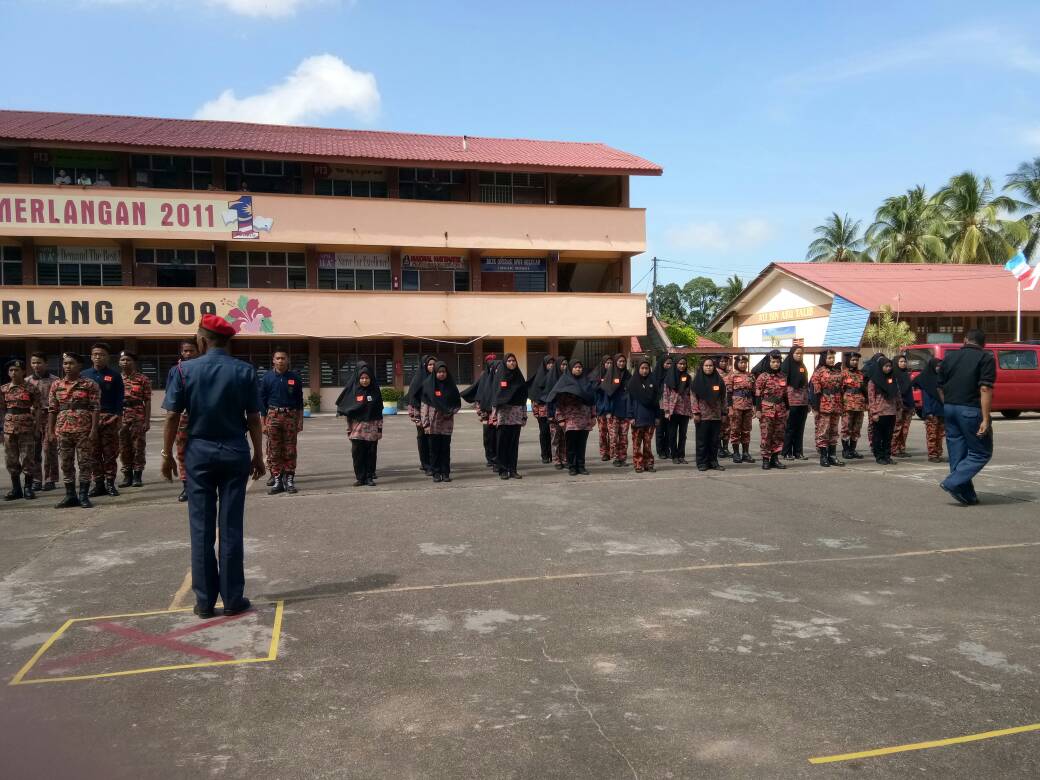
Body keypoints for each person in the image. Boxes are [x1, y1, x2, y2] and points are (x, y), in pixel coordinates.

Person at [161, 314, 264, 619]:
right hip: (234, 450)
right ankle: (233, 598)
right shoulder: (245, 371)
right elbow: (254, 418)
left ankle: (205, 602)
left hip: (199, 452)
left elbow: (170, 417)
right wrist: (258, 455)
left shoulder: (182, 371)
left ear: (203, 340)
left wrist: (167, 455)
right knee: (231, 527)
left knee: (201, 527)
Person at [938, 329, 996, 506]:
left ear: (964, 340)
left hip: (949, 407)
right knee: (981, 452)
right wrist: (986, 418)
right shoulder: (986, 358)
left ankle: (967, 494)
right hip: (970, 410)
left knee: (958, 452)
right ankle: (952, 482)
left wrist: (947, 405)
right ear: (983, 344)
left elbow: (939, 386)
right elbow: (985, 388)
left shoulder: (949, 357)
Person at [48, 352, 100, 508]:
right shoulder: (56, 385)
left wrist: (93, 430)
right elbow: (52, 409)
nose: (67, 366)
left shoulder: (89, 384)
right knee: (66, 463)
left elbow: (95, 408)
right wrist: (50, 431)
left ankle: (83, 495)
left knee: (85, 463)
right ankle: (70, 495)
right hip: (63, 430)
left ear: (79, 365)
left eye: (71, 363)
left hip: (83, 429)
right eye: (65, 363)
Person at [260, 349, 305, 495]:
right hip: (272, 415)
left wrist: (300, 421)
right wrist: (263, 422)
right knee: (274, 450)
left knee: (290, 449)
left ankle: (289, 479)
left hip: (290, 416)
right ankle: (277, 480)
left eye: (283, 358)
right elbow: (262, 403)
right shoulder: (267, 378)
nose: (280, 361)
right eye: (277, 358)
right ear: (273, 360)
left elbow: (299, 402)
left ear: (288, 360)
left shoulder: (295, 378)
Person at [82, 342, 124, 497]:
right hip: (89, 419)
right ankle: (98, 483)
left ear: (108, 357)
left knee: (110, 453)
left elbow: (120, 398)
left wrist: (118, 416)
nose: (98, 357)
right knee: (93, 453)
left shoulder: (114, 375)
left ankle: (110, 483)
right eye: (95, 354)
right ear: (91, 357)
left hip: (109, 418)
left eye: (101, 354)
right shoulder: (84, 375)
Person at [545, 359, 595, 476]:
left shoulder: (586, 382)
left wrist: (593, 416)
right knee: (571, 445)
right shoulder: (564, 382)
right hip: (570, 420)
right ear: (570, 369)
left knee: (581, 445)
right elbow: (558, 402)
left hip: (584, 419)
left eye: (580, 367)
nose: (578, 369)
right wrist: (561, 419)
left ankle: (581, 466)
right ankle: (572, 467)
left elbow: (592, 400)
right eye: (576, 367)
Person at [1, 360, 42, 500]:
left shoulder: (31, 388)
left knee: (27, 458)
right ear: (8, 372)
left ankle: (28, 488)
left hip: (27, 428)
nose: (14, 373)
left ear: (23, 372)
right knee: (11, 459)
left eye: (17, 370)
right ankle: (16, 489)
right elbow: (1, 410)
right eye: (11, 370)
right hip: (9, 428)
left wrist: (37, 428)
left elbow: (37, 409)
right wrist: (1, 429)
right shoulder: (3, 389)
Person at [336, 365, 383, 487]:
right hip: (357, 430)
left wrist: (379, 430)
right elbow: (349, 413)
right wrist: (349, 430)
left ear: (371, 379)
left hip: (372, 429)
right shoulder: (353, 393)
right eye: (362, 378)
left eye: (367, 378)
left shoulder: (376, 393)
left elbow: (379, 412)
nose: (364, 380)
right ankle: (360, 478)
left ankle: (369, 477)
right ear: (358, 379)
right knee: (357, 454)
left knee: (370, 454)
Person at [169, 340, 200, 502]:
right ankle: (186, 486)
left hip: (202, 417)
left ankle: (201, 484)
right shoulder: (176, 371)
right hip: (183, 417)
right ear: (181, 352)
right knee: (182, 452)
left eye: (191, 351)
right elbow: (171, 401)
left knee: (201, 450)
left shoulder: (203, 369)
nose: (188, 354)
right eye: (185, 351)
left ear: (198, 351)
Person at [421, 360, 462, 482]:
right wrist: (426, 424)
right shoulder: (428, 385)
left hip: (446, 423)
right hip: (433, 424)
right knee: (434, 450)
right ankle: (436, 473)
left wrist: (451, 411)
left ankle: (445, 472)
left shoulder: (451, 386)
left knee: (445, 449)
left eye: (443, 372)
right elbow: (424, 407)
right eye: (439, 372)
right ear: (435, 373)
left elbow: (457, 404)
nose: (441, 374)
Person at [117, 350, 152, 488]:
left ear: (134, 362)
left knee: (138, 447)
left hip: (138, 416)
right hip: (122, 416)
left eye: (128, 360)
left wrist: (147, 421)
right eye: (123, 360)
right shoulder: (116, 379)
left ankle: (137, 475)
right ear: (119, 362)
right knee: (123, 447)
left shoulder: (142, 379)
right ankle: (127, 476)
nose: (125, 362)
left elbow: (147, 401)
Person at [490, 353, 527, 479]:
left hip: (516, 415)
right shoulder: (500, 377)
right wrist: (493, 417)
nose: (512, 363)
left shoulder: (519, 378)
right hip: (503, 416)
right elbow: (495, 397)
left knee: (513, 444)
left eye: (514, 361)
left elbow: (523, 398)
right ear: (505, 363)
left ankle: (513, 469)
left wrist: (524, 416)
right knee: (502, 444)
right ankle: (503, 470)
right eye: (509, 361)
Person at [27, 352, 60, 492]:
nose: (36, 365)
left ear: (46, 364)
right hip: (33, 418)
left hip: (50, 417)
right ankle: (36, 479)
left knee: (49, 450)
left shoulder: (55, 380)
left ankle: (50, 479)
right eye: (33, 362)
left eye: (39, 362)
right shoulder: (27, 381)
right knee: (34, 451)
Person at [461, 353, 498, 468]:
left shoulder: (501, 376)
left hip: (498, 413)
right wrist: (480, 411)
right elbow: (479, 392)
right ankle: (490, 458)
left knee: (498, 436)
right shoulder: (484, 375)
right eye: (490, 363)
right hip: (486, 413)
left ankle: (498, 458)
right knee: (488, 436)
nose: (492, 367)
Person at [811, 350, 845, 467]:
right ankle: (823, 456)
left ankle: (832, 456)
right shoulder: (819, 372)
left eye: (833, 358)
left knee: (834, 431)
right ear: (824, 358)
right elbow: (815, 392)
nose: (831, 360)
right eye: (829, 358)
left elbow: (842, 388)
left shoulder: (837, 371)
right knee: (823, 431)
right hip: (824, 405)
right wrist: (815, 408)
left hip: (836, 404)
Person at [755, 350, 789, 470]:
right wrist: (758, 410)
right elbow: (758, 394)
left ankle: (775, 458)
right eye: (773, 362)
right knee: (767, 434)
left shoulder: (783, 376)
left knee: (778, 434)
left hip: (781, 409)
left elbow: (785, 395)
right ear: (769, 362)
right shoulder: (763, 376)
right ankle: (765, 459)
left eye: (778, 362)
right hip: (766, 409)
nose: (776, 364)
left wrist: (788, 409)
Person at [691, 356, 726, 472]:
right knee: (702, 441)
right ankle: (702, 462)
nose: (708, 368)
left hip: (716, 416)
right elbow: (693, 398)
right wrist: (696, 412)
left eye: (710, 366)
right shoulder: (697, 381)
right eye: (706, 366)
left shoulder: (719, 381)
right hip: (702, 416)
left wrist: (724, 413)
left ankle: (713, 462)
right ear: (702, 367)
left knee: (714, 441)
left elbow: (723, 398)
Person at [406, 354, 437, 474]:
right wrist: (415, 415)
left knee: (433, 438)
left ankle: (433, 463)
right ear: (425, 366)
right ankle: (426, 464)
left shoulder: (438, 378)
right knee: (423, 438)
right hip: (420, 413)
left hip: (435, 415)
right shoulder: (418, 379)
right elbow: (412, 397)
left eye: (434, 364)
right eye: (430, 364)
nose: (432, 367)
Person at [627, 358, 658, 473]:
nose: (644, 371)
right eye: (642, 368)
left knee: (648, 444)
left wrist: (657, 416)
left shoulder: (653, 383)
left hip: (650, 418)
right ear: (638, 369)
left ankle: (649, 464)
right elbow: (629, 402)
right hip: (637, 418)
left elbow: (656, 402)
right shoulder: (632, 383)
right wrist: (631, 417)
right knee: (637, 444)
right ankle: (638, 464)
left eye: (646, 368)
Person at [600, 353, 632, 467]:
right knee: (614, 437)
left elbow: (632, 393)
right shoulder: (610, 375)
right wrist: (607, 411)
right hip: (613, 412)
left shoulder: (628, 376)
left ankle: (623, 458)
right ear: (615, 362)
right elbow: (606, 395)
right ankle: (615, 458)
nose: (622, 363)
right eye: (620, 361)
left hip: (625, 411)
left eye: (623, 361)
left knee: (624, 437)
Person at [866, 356, 899, 465]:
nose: (888, 368)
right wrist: (874, 412)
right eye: (886, 366)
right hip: (880, 413)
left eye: (890, 366)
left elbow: (896, 395)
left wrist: (899, 408)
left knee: (888, 436)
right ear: (880, 367)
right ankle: (879, 456)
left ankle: (887, 455)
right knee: (878, 436)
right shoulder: (873, 381)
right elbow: (871, 398)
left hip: (891, 412)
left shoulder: (892, 379)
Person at [661, 356, 693, 464]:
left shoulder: (688, 377)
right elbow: (665, 395)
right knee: (672, 434)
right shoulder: (669, 377)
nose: (682, 366)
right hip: (672, 410)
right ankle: (674, 455)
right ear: (676, 364)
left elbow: (691, 394)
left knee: (683, 434)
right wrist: (666, 410)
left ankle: (681, 455)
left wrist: (692, 410)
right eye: (680, 363)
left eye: (684, 364)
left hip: (684, 410)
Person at [913, 357, 945, 463]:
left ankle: (938, 453)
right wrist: (928, 412)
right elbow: (926, 399)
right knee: (932, 434)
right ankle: (932, 454)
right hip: (932, 412)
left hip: (942, 412)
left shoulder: (941, 378)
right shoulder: (926, 380)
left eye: (940, 366)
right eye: (937, 366)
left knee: (940, 435)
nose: (938, 368)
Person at [780, 346, 810, 460]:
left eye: (801, 353)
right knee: (790, 428)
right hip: (791, 402)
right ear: (792, 354)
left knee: (800, 428)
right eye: (797, 353)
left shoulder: (802, 366)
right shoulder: (786, 366)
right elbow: (782, 387)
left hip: (803, 401)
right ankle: (786, 452)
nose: (799, 355)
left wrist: (808, 403)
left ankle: (798, 452)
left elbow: (806, 385)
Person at [725, 354, 756, 464]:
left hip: (748, 406)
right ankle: (736, 453)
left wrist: (755, 407)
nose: (743, 365)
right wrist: (730, 408)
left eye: (745, 363)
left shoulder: (751, 376)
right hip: (736, 406)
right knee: (735, 430)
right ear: (736, 363)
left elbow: (754, 392)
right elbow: (728, 393)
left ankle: (746, 453)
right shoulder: (731, 376)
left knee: (746, 430)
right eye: (741, 363)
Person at [529, 355, 556, 464]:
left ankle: (555, 455)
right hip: (542, 411)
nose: (551, 365)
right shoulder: (538, 378)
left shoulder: (557, 377)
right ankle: (545, 454)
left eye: (553, 363)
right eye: (549, 363)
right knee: (544, 432)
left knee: (555, 433)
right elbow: (534, 395)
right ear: (545, 365)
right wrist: (535, 411)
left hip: (554, 409)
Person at [840, 352, 866, 460]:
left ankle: (852, 450)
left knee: (856, 428)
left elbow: (864, 390)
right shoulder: (843, 374)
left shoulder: (861, 374)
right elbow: (840, 390)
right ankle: (845, 450)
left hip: (859, 405)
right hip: (848, 405)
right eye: (852, 360)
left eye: (856, 360)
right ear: (848, 361)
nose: (855, 362)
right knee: (846, 428)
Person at [891, 353, 915, 458]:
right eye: (901, 362)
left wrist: (912, 405)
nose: (903, 363)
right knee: (897, 428)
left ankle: (902, 449)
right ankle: (893, 449)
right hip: (898, 406)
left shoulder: (906, 374)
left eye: (904, 361)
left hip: (908, 405)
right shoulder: (892, 375)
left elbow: (910, 391)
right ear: (896, 363)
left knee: (905, 429)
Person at [590, 354, 613, 461]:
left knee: (612, 432)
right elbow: (593, 388)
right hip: (601, 409)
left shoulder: (615, 374)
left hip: (613, 409)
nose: (609, 365)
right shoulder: (597, 375)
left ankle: (613, 452)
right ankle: (604, 453)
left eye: (611, 363)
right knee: (603, 432)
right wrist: (601, 383)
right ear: (603, 364)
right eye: (607, 363)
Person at [547, 356, 568, 469]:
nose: (564, 367)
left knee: (565, 437)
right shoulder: (552, 379)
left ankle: (564, 459)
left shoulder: (568, 378)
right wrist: (550, 414)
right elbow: (549, 398)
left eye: (566, 365)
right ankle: (556, 460)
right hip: (554, 413)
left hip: (566, 413)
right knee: (555, 438)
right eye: (562, 365)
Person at [651, 354, 674, 459]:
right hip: (659, 406)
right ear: (662, 364)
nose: (669, 365)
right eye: (667, 363)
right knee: (660, 430)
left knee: (670, 430)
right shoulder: (655, 376)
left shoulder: (674, 375)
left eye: (671, 363)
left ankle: (667, 449)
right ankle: (660, 451)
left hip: (671, 406)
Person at [716, 354, 732, 457]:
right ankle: (719, 448)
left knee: (727, 427)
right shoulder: (715, 373)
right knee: (718, 427)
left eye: (725, 361)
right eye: (721, 361)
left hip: (728, 404)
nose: (724, 363)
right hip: (718, 404)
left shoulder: (730, 374)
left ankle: (725, 448)